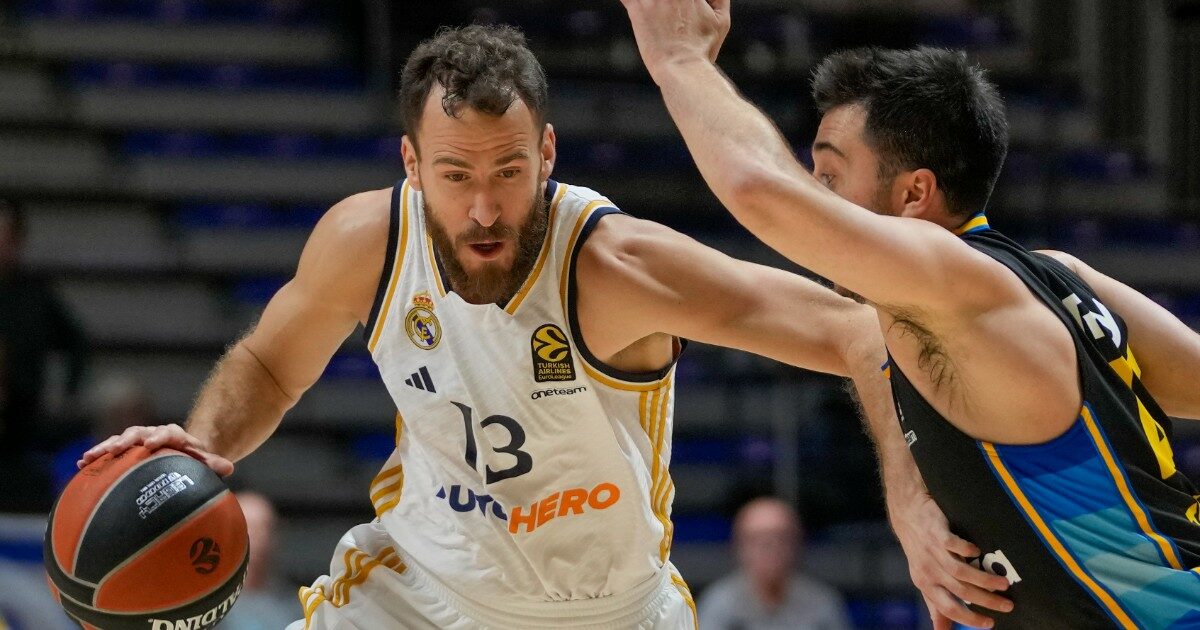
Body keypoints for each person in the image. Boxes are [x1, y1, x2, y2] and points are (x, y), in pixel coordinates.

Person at [81, 25, 996, 630]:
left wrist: (910, 503)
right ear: (411, 164)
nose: (485, 208)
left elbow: (857, 329)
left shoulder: (614, 265)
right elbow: (270, 366)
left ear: (547, 154)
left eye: (509, 172)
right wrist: (199, 445)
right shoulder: (367, 242)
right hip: (419, 594)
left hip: (608, 611)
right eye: (455, 176)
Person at [618, 1, 1200, 628]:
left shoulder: (954, 283)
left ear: (915, 194)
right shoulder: (1052, 276)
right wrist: (907, 490)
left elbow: (760, 189)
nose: (818, 198)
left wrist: (679, 60)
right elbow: (850, 336)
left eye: (829, 176)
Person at [0, 199, 89, 513]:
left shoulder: (35, 294)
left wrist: (67, 393)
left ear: (17, 241)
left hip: (25, 418)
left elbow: (76, 342)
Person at [699, 497, 851, 630]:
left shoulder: (822, 602)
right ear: (738, 546)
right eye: (758, 539)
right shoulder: (718, 603)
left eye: (781, 538)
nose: (771, 548)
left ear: (797, 543)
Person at [219, 492, 302, 630]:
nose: (256, 536)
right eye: (246, 527)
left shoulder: (297, 606)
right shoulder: (202, 607)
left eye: (263, 527)